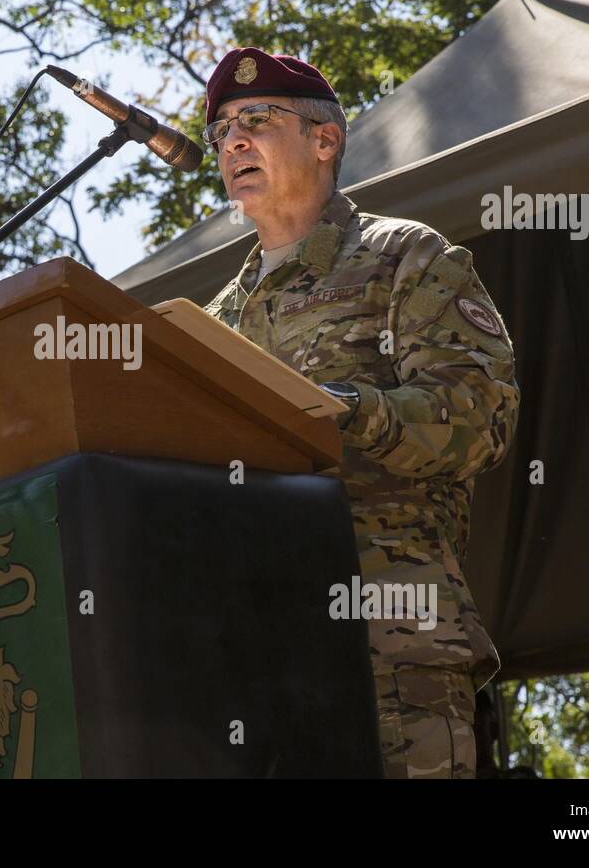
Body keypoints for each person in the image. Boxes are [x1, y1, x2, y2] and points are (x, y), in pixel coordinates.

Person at [201, 47, 520, 778]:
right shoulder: (213, 322)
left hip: (396, 647)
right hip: (257, 659)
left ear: (324, 139)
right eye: (222, 131)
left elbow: (478, 419)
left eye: (256, 120)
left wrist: (335, 413)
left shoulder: (407, 257)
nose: (234, 142)